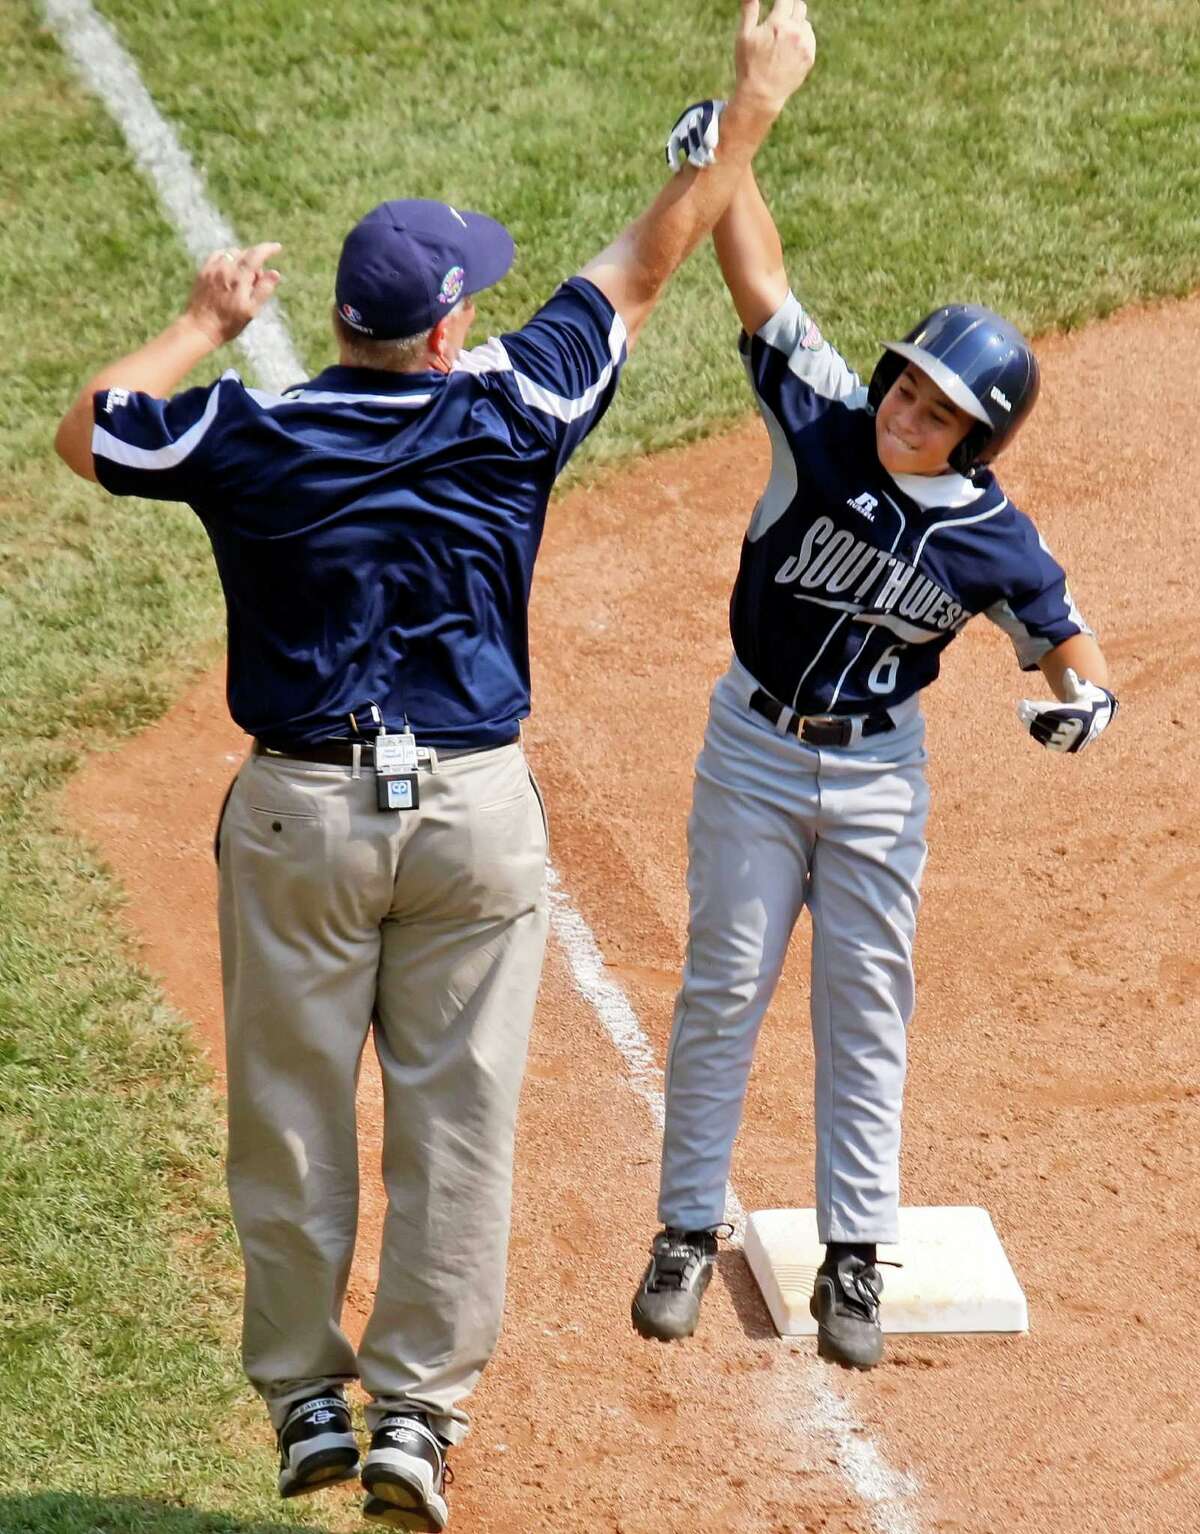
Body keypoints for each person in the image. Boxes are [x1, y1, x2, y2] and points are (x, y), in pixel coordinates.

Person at [53, 5, 816, 1527]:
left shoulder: (253, 438)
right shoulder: (513, 411)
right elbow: (648, 262)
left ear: (343, 324)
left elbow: (91, 431)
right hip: (470, 819)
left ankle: (299, 1399)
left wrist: (207, 317)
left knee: (287, 1110)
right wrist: (752, 109)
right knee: (459, 1121)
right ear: (452, 328)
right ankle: (415, 1419)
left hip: (296, 818)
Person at [630, 102, 1118, 1371]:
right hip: (752, 747)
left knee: (865, 1004)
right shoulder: (824, 423)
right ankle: (684, 1228)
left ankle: (855, 1253)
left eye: (939, 406)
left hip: (879, 773)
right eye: (907, 383)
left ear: (981, 434)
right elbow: (765, 285)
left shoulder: (995, 538)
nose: (907, 409)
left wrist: (1084, 702)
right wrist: (729, 148)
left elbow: (1065, 637)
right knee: (724, 984)